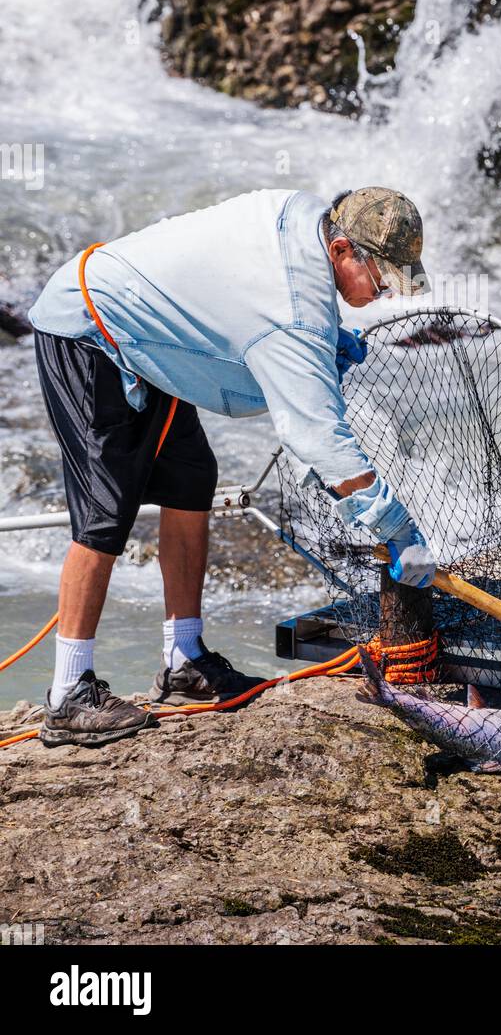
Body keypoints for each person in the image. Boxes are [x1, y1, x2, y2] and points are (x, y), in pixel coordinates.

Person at [27, 186, 433, 746]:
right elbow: (315, 434)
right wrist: (395, 528)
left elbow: (233, 294)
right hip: (90, 326)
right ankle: (67, 694)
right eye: (382, 275)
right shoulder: (294, 312)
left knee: (192, 479)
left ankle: (184, 659)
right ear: (340, 250)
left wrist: (321, 343)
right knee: (106, 512)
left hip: (156, 337)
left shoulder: (309, 214)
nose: (387, 290)